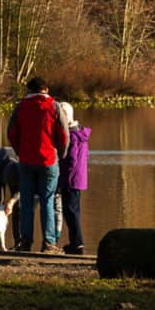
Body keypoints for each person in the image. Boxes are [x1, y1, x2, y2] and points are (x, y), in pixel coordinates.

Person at [6, 76, 69, 254]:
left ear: (29, 90)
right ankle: (48, 244)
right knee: (47, 201)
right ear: (46, 89)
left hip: (26, 161)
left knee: (26, 203)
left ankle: (25, 242)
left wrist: (19, 151)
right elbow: (64, 134)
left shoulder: (21, 107)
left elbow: (11, 132)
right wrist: (60, 153)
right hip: (49, 160)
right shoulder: (54, 106)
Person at [57, 102, 90, 255]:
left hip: (70, 179)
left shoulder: (72, 136)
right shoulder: (80, 133)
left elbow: (71, 160)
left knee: (71, 212)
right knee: (72, 211)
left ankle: (77, 244)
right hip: (78, 179)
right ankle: (75, 243)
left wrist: (62, 174)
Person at [0, 146, 21, 247]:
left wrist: (11, 202)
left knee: (18, 206)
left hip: (15, 170)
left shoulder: (20, 167)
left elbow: (20, 191)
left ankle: (18, 242)